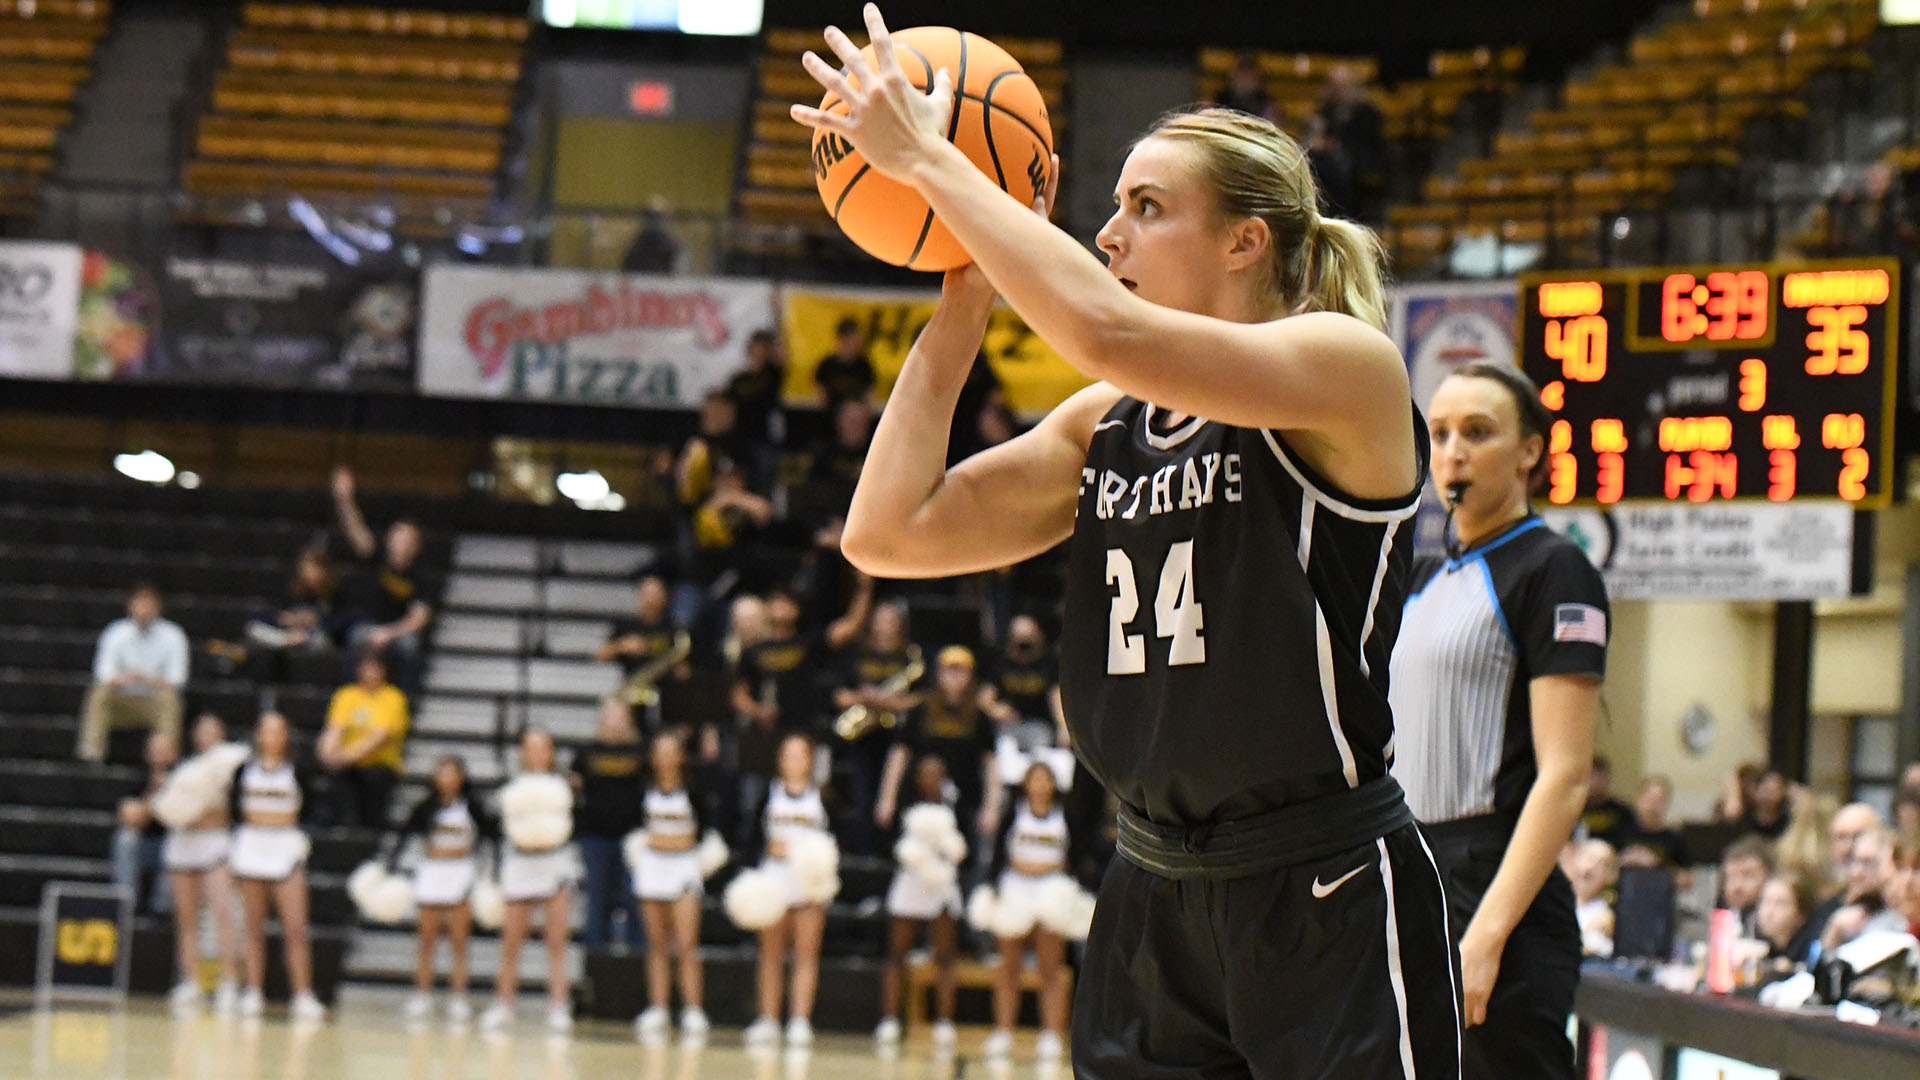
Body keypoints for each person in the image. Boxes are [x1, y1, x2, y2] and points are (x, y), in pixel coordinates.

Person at [800, 10, 1456, 1073]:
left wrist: (930, 160)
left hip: (1320, 887)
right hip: (1150, 888)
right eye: (1111, 208)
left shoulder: (1346, 369)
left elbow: (1105, 331)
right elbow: (886, 531)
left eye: (1146, 208)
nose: (1109, 236)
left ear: (1245, 241)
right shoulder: (1106, 424)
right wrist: (964, 297)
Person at [1389, 361, 1607, 1080]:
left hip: (1495, 892)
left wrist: (1485, 936)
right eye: (1440, 433)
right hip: (1412, 876)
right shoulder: (1421, 577)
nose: (1453, 451)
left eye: (1478, 432)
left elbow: (1565, 777)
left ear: (1529, 452)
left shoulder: (1555, 569)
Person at [228, 711, 325, 1022]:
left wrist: (280, 823)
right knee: (252, 926)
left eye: (279, 730)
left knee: (295, 928)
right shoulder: (243, 770)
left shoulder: (297, 770)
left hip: (285, 849)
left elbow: (310, 809)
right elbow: (234, 810)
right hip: (251, 849)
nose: (272, 736)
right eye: (267, 730)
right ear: (258, 735)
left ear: (286, 736)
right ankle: (252, 991)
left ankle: (303, 994)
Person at [982, 761, 1078, 1063]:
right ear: (1026, 784)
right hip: (1016, 888)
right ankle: (1002, 1033)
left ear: (1053, 785)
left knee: (1050, 967)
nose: (1039, 785)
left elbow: (1076, 855)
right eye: (1034, 779)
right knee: (1008, 966)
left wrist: (1052, 869)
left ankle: (1051, 1035)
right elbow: (998, 854)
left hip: (1052, 890)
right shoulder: (1014, 812)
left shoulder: (1065, 815)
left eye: (1045, 779)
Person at [482, 729, 577, 1035]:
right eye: (530, 748)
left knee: (557, 942)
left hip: (554, 862)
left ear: (551, 753)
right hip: (520, 863)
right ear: (522, 753)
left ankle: (559, 1006)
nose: (536, 753)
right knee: (511, 942)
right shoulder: (510, 788)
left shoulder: (564, 787)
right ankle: (504, 1005)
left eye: (542, 748)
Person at [388, 756, 494, 1025]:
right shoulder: (425, 806)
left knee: (459, 941)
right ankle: (422, 995)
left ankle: (458, 997)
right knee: (426, 940)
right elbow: (405, 835)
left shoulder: (472, 806)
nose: (446, 779)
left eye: (451, 773)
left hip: (461, 872)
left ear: (461, 777)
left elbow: (491, 835)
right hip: (432, 872)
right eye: (442, 773)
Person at [744, 733, 832, 1050]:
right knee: (770, 954)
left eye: (800, 755)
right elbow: (752, 838)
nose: (793, 761)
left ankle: (799, 1021)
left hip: (809, 881)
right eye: (788, 755)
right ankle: (768, 1019)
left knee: (806, 954)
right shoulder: (768, 794)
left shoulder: (823, 796)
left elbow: (832, 842)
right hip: (775, 878)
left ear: (810, 761)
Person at [873, 754, 963, 1053]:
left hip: (941, 882)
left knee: (945, 955)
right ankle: (889, 1019)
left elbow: (965, 846)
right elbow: (889, 842)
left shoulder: (957, 803)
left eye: (937, 773)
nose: (931, 779)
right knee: (897, 951)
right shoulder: (903, 804)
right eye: (926, 773)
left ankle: (944, 1021)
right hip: (910, 880)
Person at [875, 647, 1002, 858]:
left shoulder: (979, 716)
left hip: (963, 801)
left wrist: (991, 807)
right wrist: (887, 798)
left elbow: (991, 762)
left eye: (961, 671)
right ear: (939, 673)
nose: (955, 677)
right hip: (918, 799)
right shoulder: (921, 709)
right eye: (950, 670)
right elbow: (899, 754)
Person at [630, 730, 713, 1046]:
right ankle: (658, 1007)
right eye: (659, 752)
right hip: (652, 868)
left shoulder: (694, 791)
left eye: (670, 751)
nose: (665, 758)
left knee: (687, 942)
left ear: (680, 756)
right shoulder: (642, 789)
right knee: (656, 944)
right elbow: (637, 829)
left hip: (684, 868)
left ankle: (693, 1009)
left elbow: (703, 831)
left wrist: (674, 843)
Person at [160, 714, 243, 1016]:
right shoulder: (186, 770)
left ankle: (229, 981)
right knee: (187, 918)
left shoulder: (232, 765)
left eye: (212, 730)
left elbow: (231, 811)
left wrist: (207, 816)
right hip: (184, 844)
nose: (206, 735)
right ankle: (190, 980)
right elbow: (170, 808)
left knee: (223, 913)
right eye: (201, 730)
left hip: (215, 844)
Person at [330, 465, 433, 699]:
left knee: (410, 647)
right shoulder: (377, 558)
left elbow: (419, 619)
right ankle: (348, 698)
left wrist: (389, 633)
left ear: (416, 545)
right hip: (369, 626)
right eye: (397, 534)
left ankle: (405, 703)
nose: (399, 541)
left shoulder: (420, 576)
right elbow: (356, 532)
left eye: (406, 537)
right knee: (356, 638)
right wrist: (345, 500)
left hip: (397, 631)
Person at [78, 583, 187, 763]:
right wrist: (127, 679)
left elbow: (178, 678)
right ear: (130, 606)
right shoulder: (115, 632)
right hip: (123, 700)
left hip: (154, 701)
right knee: (99, 693)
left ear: (158, 608)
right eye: (140, 604)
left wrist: (147, 679)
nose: (144, 610)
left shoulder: (173, 635)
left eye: (149, 605)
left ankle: (165, 756)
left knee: (170, 698)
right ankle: (91, 752)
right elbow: (103, 674)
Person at [573, 699, 645, 952]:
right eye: (610, 716)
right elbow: (575, 788)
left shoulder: (641, 753)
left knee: (634, 899)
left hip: (632, 839)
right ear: (602, 719)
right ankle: (595, 958)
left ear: (629, 720)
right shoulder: (586, 753)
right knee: (597, 899)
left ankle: (635, 959)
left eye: (620, 716)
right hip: (595, 837)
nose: (615, 722)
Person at [317, 652, 408, 828]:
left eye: (374, 668)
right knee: (335, 779)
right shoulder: (347, 695)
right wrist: (327, 754)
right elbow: (335, 729)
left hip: (378, 765)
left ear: (383, 671)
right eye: (366, 668)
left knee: (373, 782)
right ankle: (342, 829)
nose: (369, 673)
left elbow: (378, 737)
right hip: (346, 765)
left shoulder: (393, 698)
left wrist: (345, 757)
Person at [596, 574, 690, 718]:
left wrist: (681, 669)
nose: (651, 599)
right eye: (647, 594)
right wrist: (622, 646)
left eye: (656, 594)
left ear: (665, 597)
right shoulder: (625, 625)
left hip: (666, 695)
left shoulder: (674, 629)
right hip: (631, 689)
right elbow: (599, 655)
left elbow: (686, 666)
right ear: (639, 596)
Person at [110, 730, 179, 913]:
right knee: (125, 839)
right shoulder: (138, 780)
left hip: (172, 847)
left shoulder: (184, 780)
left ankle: (162, 908)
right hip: (145, 846)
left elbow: (178, 819)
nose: (159, 755)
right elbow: (129, 818)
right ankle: (125, 903)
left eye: (164, 750)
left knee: (175, 842)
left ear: (175, 753)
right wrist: (155, 794)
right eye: (155, 750)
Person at [243, 547, 339, 656]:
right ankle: (284, 642)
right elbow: (261, 612)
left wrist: (316, 619)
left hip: (313, 636)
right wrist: (284, 618)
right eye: (306, 567)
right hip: (286, 634)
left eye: (315, 567)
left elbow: (339, 622)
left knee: (321, 640)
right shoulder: (290, 588)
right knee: (253, 628)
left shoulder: (334, 592)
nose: (309, 572)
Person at [1617, 776, 1689, 874]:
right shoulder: (1620, 830)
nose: (1652, 806)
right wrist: (1623, 860)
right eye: (1649, 799)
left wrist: (1657, 864)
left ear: (1667, 804)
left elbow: (1687, 877)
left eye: (1659, 800)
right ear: (1638, 799)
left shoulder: (1674, 837)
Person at [1756, 873, 1819, 970]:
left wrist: (1792, 969)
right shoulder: (1766, 947)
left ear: (1802, 914)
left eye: (1781, 904)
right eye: (1765, 901)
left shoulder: (1812, 948)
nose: (1769, 912)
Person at [1823, 802, 1884, 899]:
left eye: (1858, 836)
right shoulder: (1826, 902)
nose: (1848, 846)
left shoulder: (1890, 901)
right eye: (1841, 837)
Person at [813, 316, 876, 410]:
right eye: (854, 339)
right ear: (843, 339)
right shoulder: (826, 365)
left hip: (857, 414)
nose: (859, 343)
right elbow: (820, 398)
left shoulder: (864, 365)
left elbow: (869, 397)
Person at [1717, 836, 1773, 937]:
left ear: (1769, 877)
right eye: (1731, 877)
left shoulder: (1778, 925)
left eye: (1748, 876)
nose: (1737, 887)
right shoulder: (1724, 917)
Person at [1578, 756, 1633, 846]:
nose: (1594, 783)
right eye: (1591, 777)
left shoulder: (1622, 812)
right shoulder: (1574, 811)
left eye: (1599, 777)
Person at [1212, 52, 1278, 123]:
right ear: (1232, 74)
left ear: (1258, 75)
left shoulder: (1268, 107)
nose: (1245, 77)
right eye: (1241, 71)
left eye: (1249, 72)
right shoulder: (1216, 103)